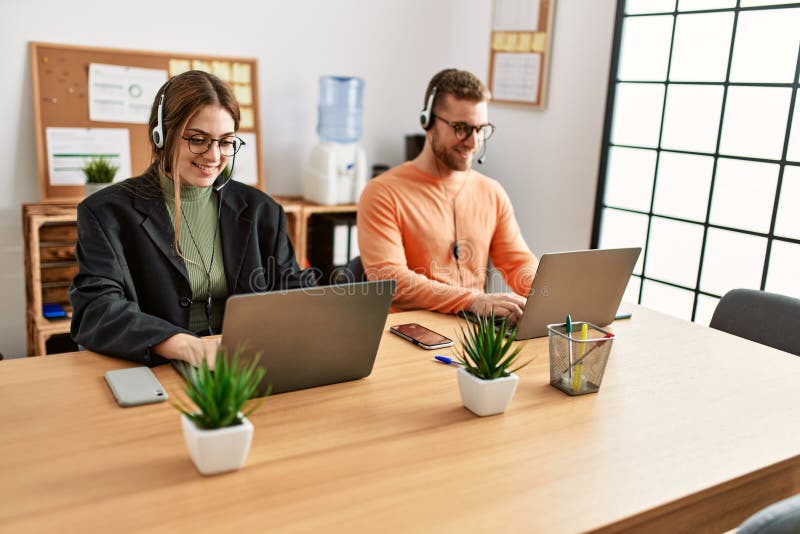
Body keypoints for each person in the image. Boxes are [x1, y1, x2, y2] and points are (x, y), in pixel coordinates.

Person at [70, 70, 312, 368]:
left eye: (226, 142)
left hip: (243, 362)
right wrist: (184, 345)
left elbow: (289, 290)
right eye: (198, 139)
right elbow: (96, 310)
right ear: (161, 136)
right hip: (157, 363)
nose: (213, 156)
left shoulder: (261, 209)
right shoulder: (106, 213)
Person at [357, 69, 538, 322]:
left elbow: (518, 264)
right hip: (412, 336)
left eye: (481, 129)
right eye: (461, 128)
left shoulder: (492, 192)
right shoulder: (383, 193)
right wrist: (474, 300)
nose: (473, 142)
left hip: (476, 336)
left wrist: (552, 299)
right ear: (427, 121)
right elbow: (392, 281)